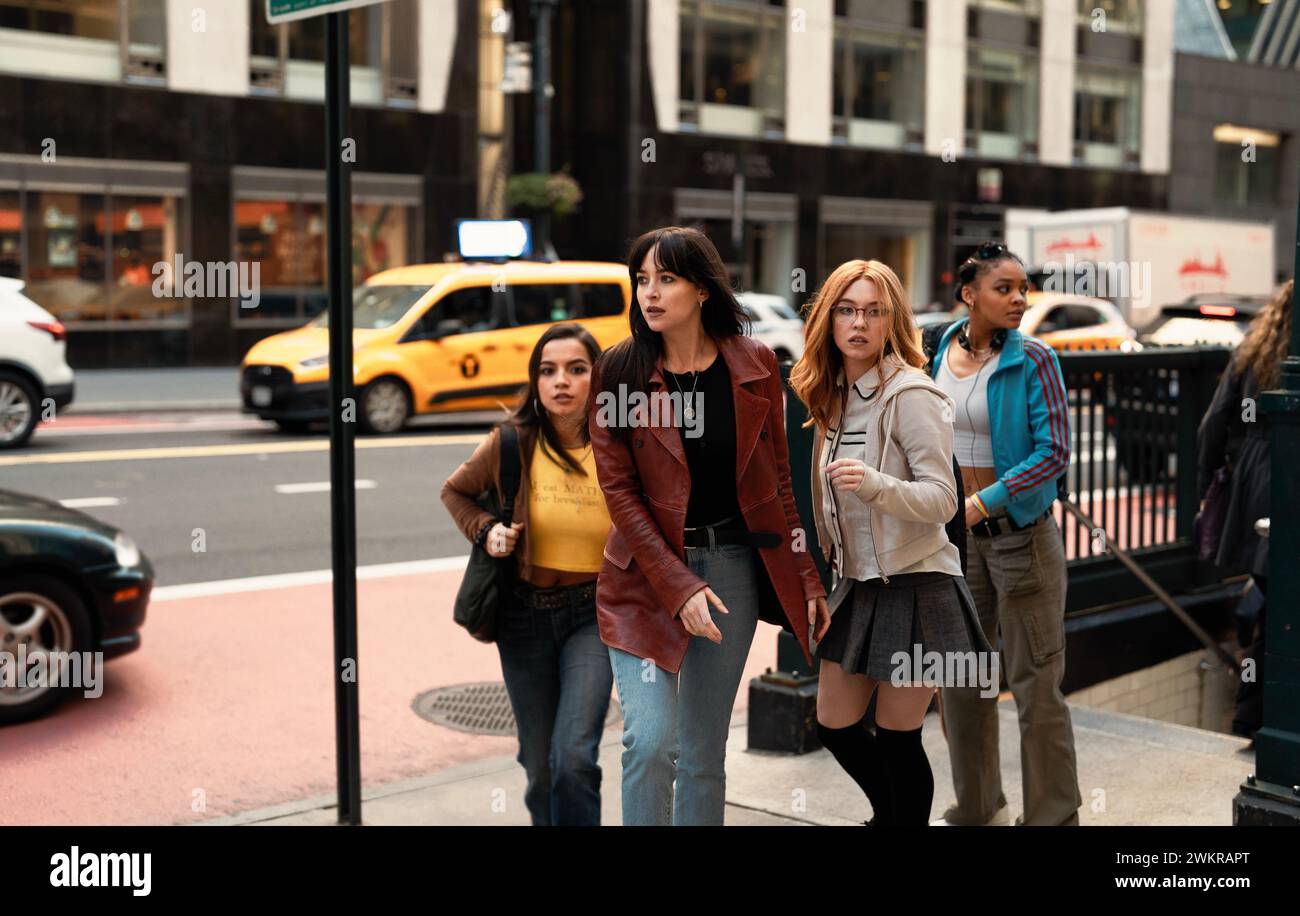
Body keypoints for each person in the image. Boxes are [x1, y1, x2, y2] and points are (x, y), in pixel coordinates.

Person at [588, 225, 826, 826]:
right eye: (642, 280)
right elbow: (619, 492)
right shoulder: (619, 371)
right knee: (650, 742)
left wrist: (807, 577)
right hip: (644, 580)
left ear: (701, 289)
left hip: (732, 573)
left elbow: (777, 485)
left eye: (666, 279)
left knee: (701, 752)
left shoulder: (754, 364)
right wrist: (677, 585)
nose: (650, 293)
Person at [789, 258, 992, 826]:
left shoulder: (912, 394)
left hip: (920, 581)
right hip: (859, 583)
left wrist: (876, 485)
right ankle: (891, 817)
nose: (860, 323)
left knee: (901, 737)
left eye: (874, 312)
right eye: (847, 310)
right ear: (828, 319)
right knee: (834, 722)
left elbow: (943, 500)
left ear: (892, 321)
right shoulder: (831, 398)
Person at [928, 241, 1081, 827]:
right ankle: (978, 806)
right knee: (962, 683)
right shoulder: (941, 347)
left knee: (1036, 686)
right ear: (970, 294)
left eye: (1023, 289)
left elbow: (1053, 454)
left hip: (1021, 538)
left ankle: (1052, 817)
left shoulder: (1035, 359)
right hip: (958, 543)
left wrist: (982, 501)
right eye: (1004, 288)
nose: (1019, 299)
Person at [441, 323, 613, 825]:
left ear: (596, 379)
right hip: (524, 619)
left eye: (576, 370)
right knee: (539, 767)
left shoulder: (620, 447)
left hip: (593, 618)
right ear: (535, 381)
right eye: (548, 370)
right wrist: (486, 529)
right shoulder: (511, 443)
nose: (561, 380)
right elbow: (455, 492)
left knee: (575, 759)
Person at [1197, 279, 1293, 739]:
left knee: (1273, 605)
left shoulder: (1257, 348)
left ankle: (1252, 717)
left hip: (1255, 485)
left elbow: (1214, 422)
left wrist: (1209, 485)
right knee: (1280, 611)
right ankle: (1262, 719)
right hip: (1283, 482)